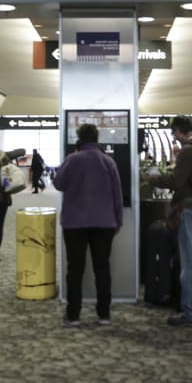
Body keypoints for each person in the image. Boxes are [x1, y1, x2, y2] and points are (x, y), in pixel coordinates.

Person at [149, 115, 192, 327]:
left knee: (190, 263)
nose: (174, 137)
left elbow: (177, 181)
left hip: (190, 211)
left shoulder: (188, 151)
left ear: (180, 131)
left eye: (174, 133)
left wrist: (155, 179)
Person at [52, 124, 123, 327]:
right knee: (102, 268)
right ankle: (104, 315)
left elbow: (58, 184)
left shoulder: (72, 159)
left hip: (74, 223)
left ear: (79, 138)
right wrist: (118, 220)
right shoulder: (108, 161)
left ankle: (73, 315)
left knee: (75, 269)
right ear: (97, 137)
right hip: (104, 223)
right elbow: (117, 193)